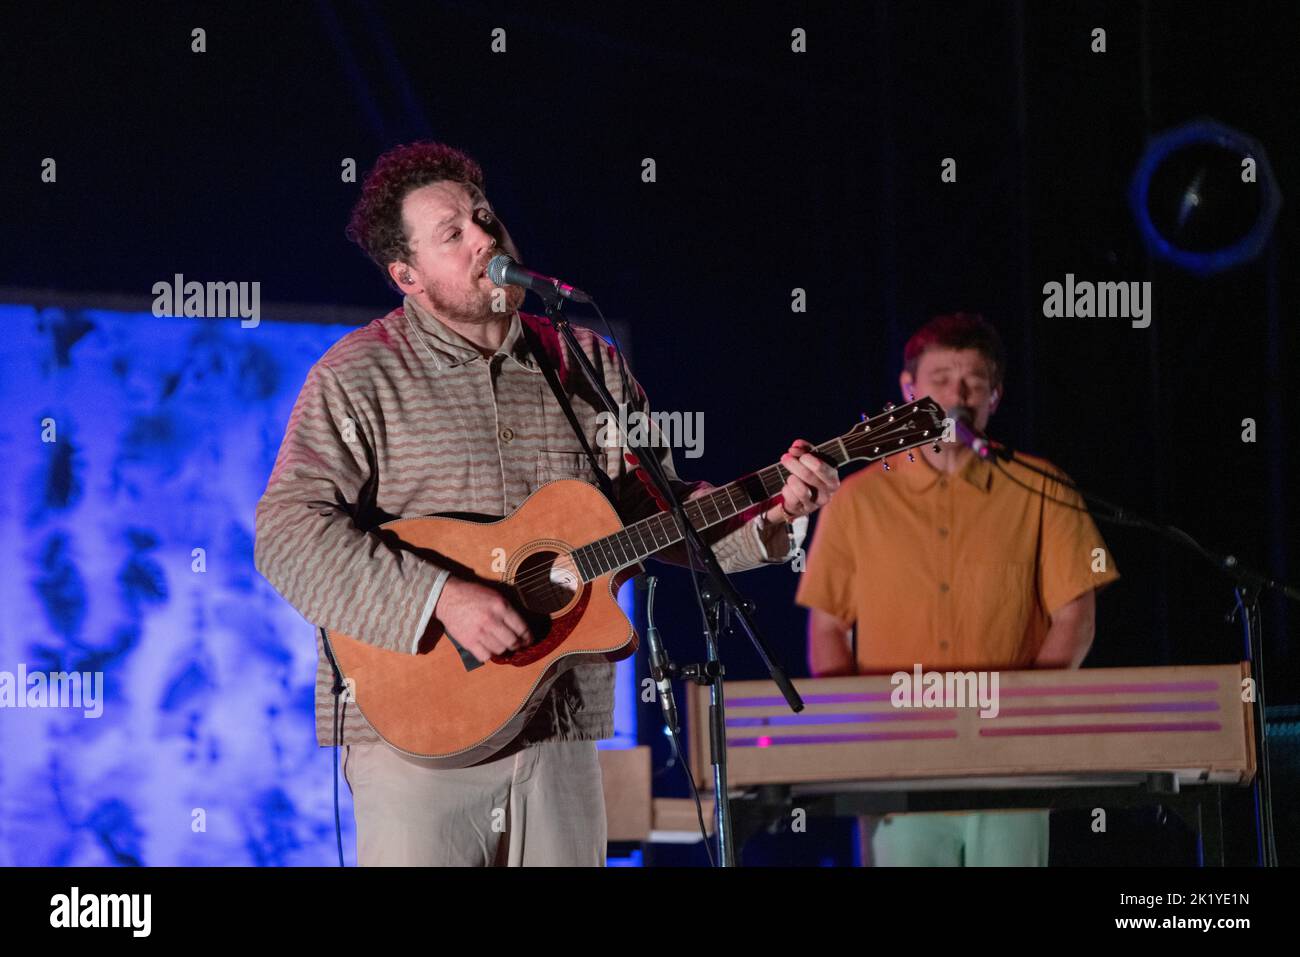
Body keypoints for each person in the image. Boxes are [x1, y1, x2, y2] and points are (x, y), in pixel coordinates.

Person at [253, 140, 839, 866]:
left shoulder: (586, 362)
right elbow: (286, 532)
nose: (484, 238)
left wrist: (774, 514)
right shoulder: (359, 375)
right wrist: (441, 596)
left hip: (561, 728)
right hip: (418, 745)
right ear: (407, 275)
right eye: (453, 234)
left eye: (483, 216)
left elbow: (661, 513)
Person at [795, 312, 1119, 866]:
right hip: (895, 762)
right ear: (908, 391)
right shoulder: (857, 500)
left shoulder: (1042, 487)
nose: (957, 393)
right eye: (941, 378)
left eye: (972, 379)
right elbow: (827, 624)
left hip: (1011, 762)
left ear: (995, 394)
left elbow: (1075, 614)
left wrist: (1028, 708)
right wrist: (855, 727)